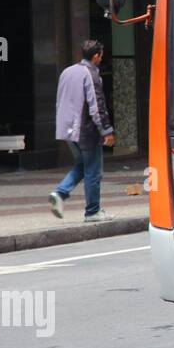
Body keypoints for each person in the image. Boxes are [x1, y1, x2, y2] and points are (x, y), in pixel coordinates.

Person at [48, 40, 115, 223]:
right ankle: (92, 211)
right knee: (93, 172)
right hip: (86, 130)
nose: (102, 58)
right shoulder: (91, 74)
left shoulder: (67, 72)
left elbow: (60, 100)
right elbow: (97, 107)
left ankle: (60, 193)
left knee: (82, 165)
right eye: (101, 55)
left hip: (69, 129)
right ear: (95, 56)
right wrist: (106, 131)